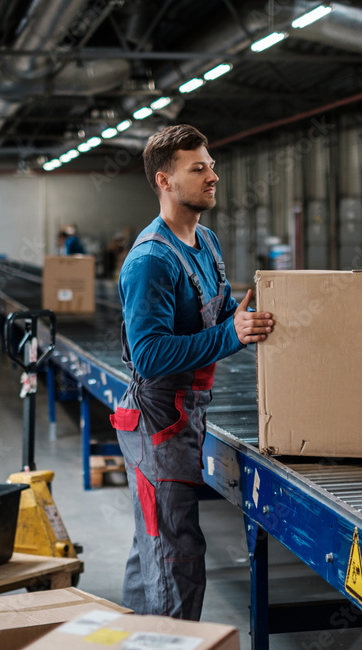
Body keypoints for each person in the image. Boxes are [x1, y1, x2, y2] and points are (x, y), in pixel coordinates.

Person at [109, 124, 275, 620]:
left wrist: (245, 322)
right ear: (164, 181)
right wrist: (231, 335)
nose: (213, 176)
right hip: (157, 424)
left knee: (154, 548)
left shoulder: (206, 241)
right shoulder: (151, 260)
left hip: (185, 418)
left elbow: (217, 317)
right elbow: (150, 356)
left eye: (211, 165)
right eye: (197, 168)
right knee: (174, 553)